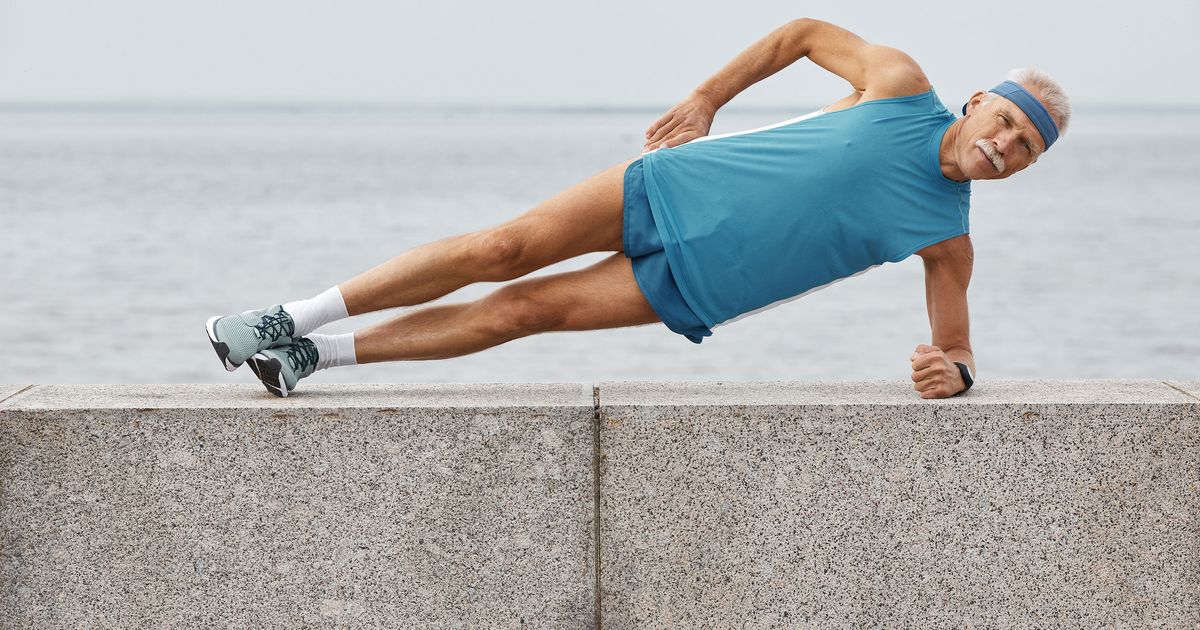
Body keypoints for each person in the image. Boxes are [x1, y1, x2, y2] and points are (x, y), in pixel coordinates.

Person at [205, 18, 1070, 399]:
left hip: (701, 287)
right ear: (974, 103)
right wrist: (706, 98)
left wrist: (950, 377)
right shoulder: (898, 83)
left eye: (1023, 147)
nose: (1004, 144)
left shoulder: (947, 240)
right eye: (1004, 121)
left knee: (521, 313)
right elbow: (801, 32)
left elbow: (957, 351)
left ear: (1022, 169)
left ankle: (317, 356)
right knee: (502, 248)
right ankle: (282, 317)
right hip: (668, 189)